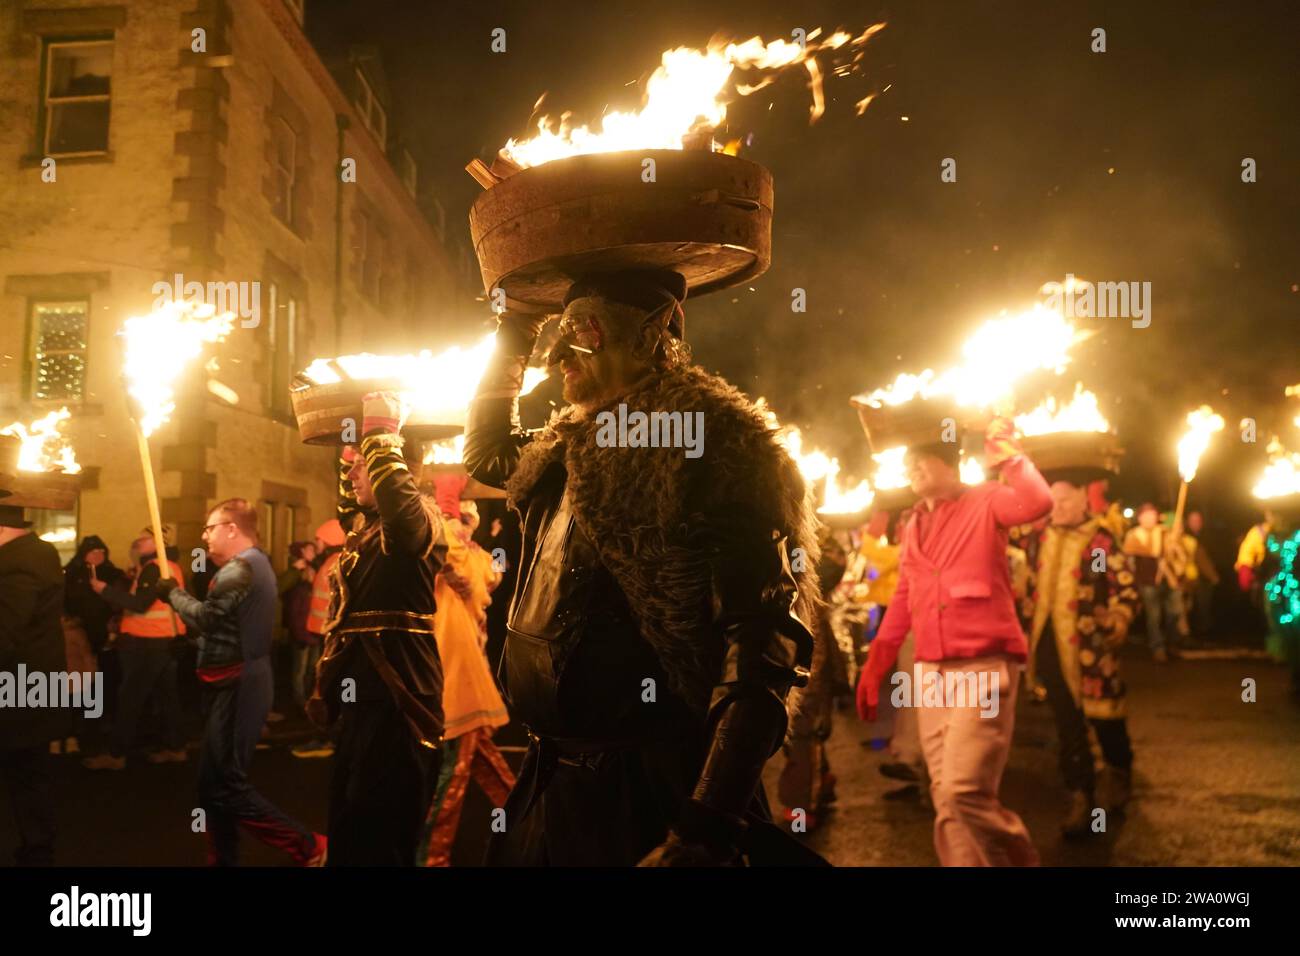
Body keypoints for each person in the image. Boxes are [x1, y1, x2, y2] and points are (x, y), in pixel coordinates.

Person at [465, 270, 824, 867]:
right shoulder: (566, 444)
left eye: (582, 331)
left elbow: (762, 647)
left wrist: (707, 824)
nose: (557, 355)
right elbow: (487, 451)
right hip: (554, 781)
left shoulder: (707, 443)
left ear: (649, 337)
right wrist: (514, 329)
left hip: (647, 792)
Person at [855, 420, 1052, 866]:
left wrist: (1005, 449)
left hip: (983, 669)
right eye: (907, 463)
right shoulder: (912, 523)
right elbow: (905, 595)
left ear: (951, 462)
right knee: (944, 797)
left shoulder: (985, 499)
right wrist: (877, 662)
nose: (911, 469)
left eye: (920, 459)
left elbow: (1038, 501)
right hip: (930, 672)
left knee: (965, 791)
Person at [307, 392, 448, 866]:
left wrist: (382, 433)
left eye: (360, 465)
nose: (349, 475)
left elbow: (404, 527)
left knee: (381, 831)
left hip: (398, 697)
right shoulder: (366, 528)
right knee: (349, 823)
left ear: (394, 470)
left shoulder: (418, 518)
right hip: (364, 697)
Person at [160, 498, 325, 866]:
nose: (205, 535)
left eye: (210, 527)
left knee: (226, 785)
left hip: (239, 685)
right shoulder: (252, 565)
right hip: (232, 681)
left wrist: (170, 593)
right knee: (211, 786)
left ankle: (311, 846)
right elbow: (226, 628)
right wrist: (194, 641)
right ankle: (224, 858)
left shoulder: (242, 569)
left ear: (232, 529)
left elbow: (207, 617)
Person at [1013, 473, 1140, 836]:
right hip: (1049, 645)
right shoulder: (1038, 538)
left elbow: (1118, 585)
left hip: (1092, 648)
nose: (1059, 508)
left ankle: (1119, 771)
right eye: (1053, 501)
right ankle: (1081, 796)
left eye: (1067, 500)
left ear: (1085, 500)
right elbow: (1026, 578)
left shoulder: (1098, 543)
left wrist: (1116, 615)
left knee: (1105, 718)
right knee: (1067, 725)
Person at [416, 481, 515, 866]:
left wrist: (443, 498)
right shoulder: (474, 558)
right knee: (485, 766)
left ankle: (430, 859)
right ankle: (537, 825)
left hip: (457, 682)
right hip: (456, 676)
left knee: (449, 782)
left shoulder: (464, 556)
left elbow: (445, 545)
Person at [0, 504, 70, 865]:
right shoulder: (39, 552)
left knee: (28, 776)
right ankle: (38, 848)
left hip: (17, 693)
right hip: (32, 688)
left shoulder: (17, 563)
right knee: (30, 776)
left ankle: (37, 851)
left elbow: (5, 630)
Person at [83, 527, 187, 769]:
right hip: (164, 640)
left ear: (158, 543)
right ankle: (176, 747)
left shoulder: (157, 568)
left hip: (150, 642)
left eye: (144, 538)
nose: (137, 541)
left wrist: (104, 591)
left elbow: (141, 604)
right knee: (167, 695)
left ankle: (116, 754)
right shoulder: (166, 567)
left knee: (130, 697)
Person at [1122, 504, 1183, 662]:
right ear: (1140, 518)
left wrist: (1173, 545)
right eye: (1147, 515)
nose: (1150, 518)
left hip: (1169, 578)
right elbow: (1128, 558)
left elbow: (1178, 552)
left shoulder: (1165, 533)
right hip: (1147, 581)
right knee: (1154, 616)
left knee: (1175, 612)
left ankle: (1172, 642)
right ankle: (1158, 647)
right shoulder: (1133, 535)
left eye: (1153, 515)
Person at [278, 540, 317, 712]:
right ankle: (299, 701)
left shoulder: (311, 575)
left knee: (311, 667)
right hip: (302, 631)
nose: (313, 551)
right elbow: (294, 611)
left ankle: (307, 698)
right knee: (300, 668)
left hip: (313, 630)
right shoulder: (296, 582)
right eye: (309, 549)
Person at [1182, 510, 1220, 640]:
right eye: (1193, 521)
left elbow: (1209, 558)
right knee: (1190, 606)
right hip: (1189, 578)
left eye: (1198, 521)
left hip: (1204, 579)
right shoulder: (1186, 538)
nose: (1196, 523)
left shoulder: (1208, 537)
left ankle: (1204, 631)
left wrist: (1213, 575)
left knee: (1204, 605)